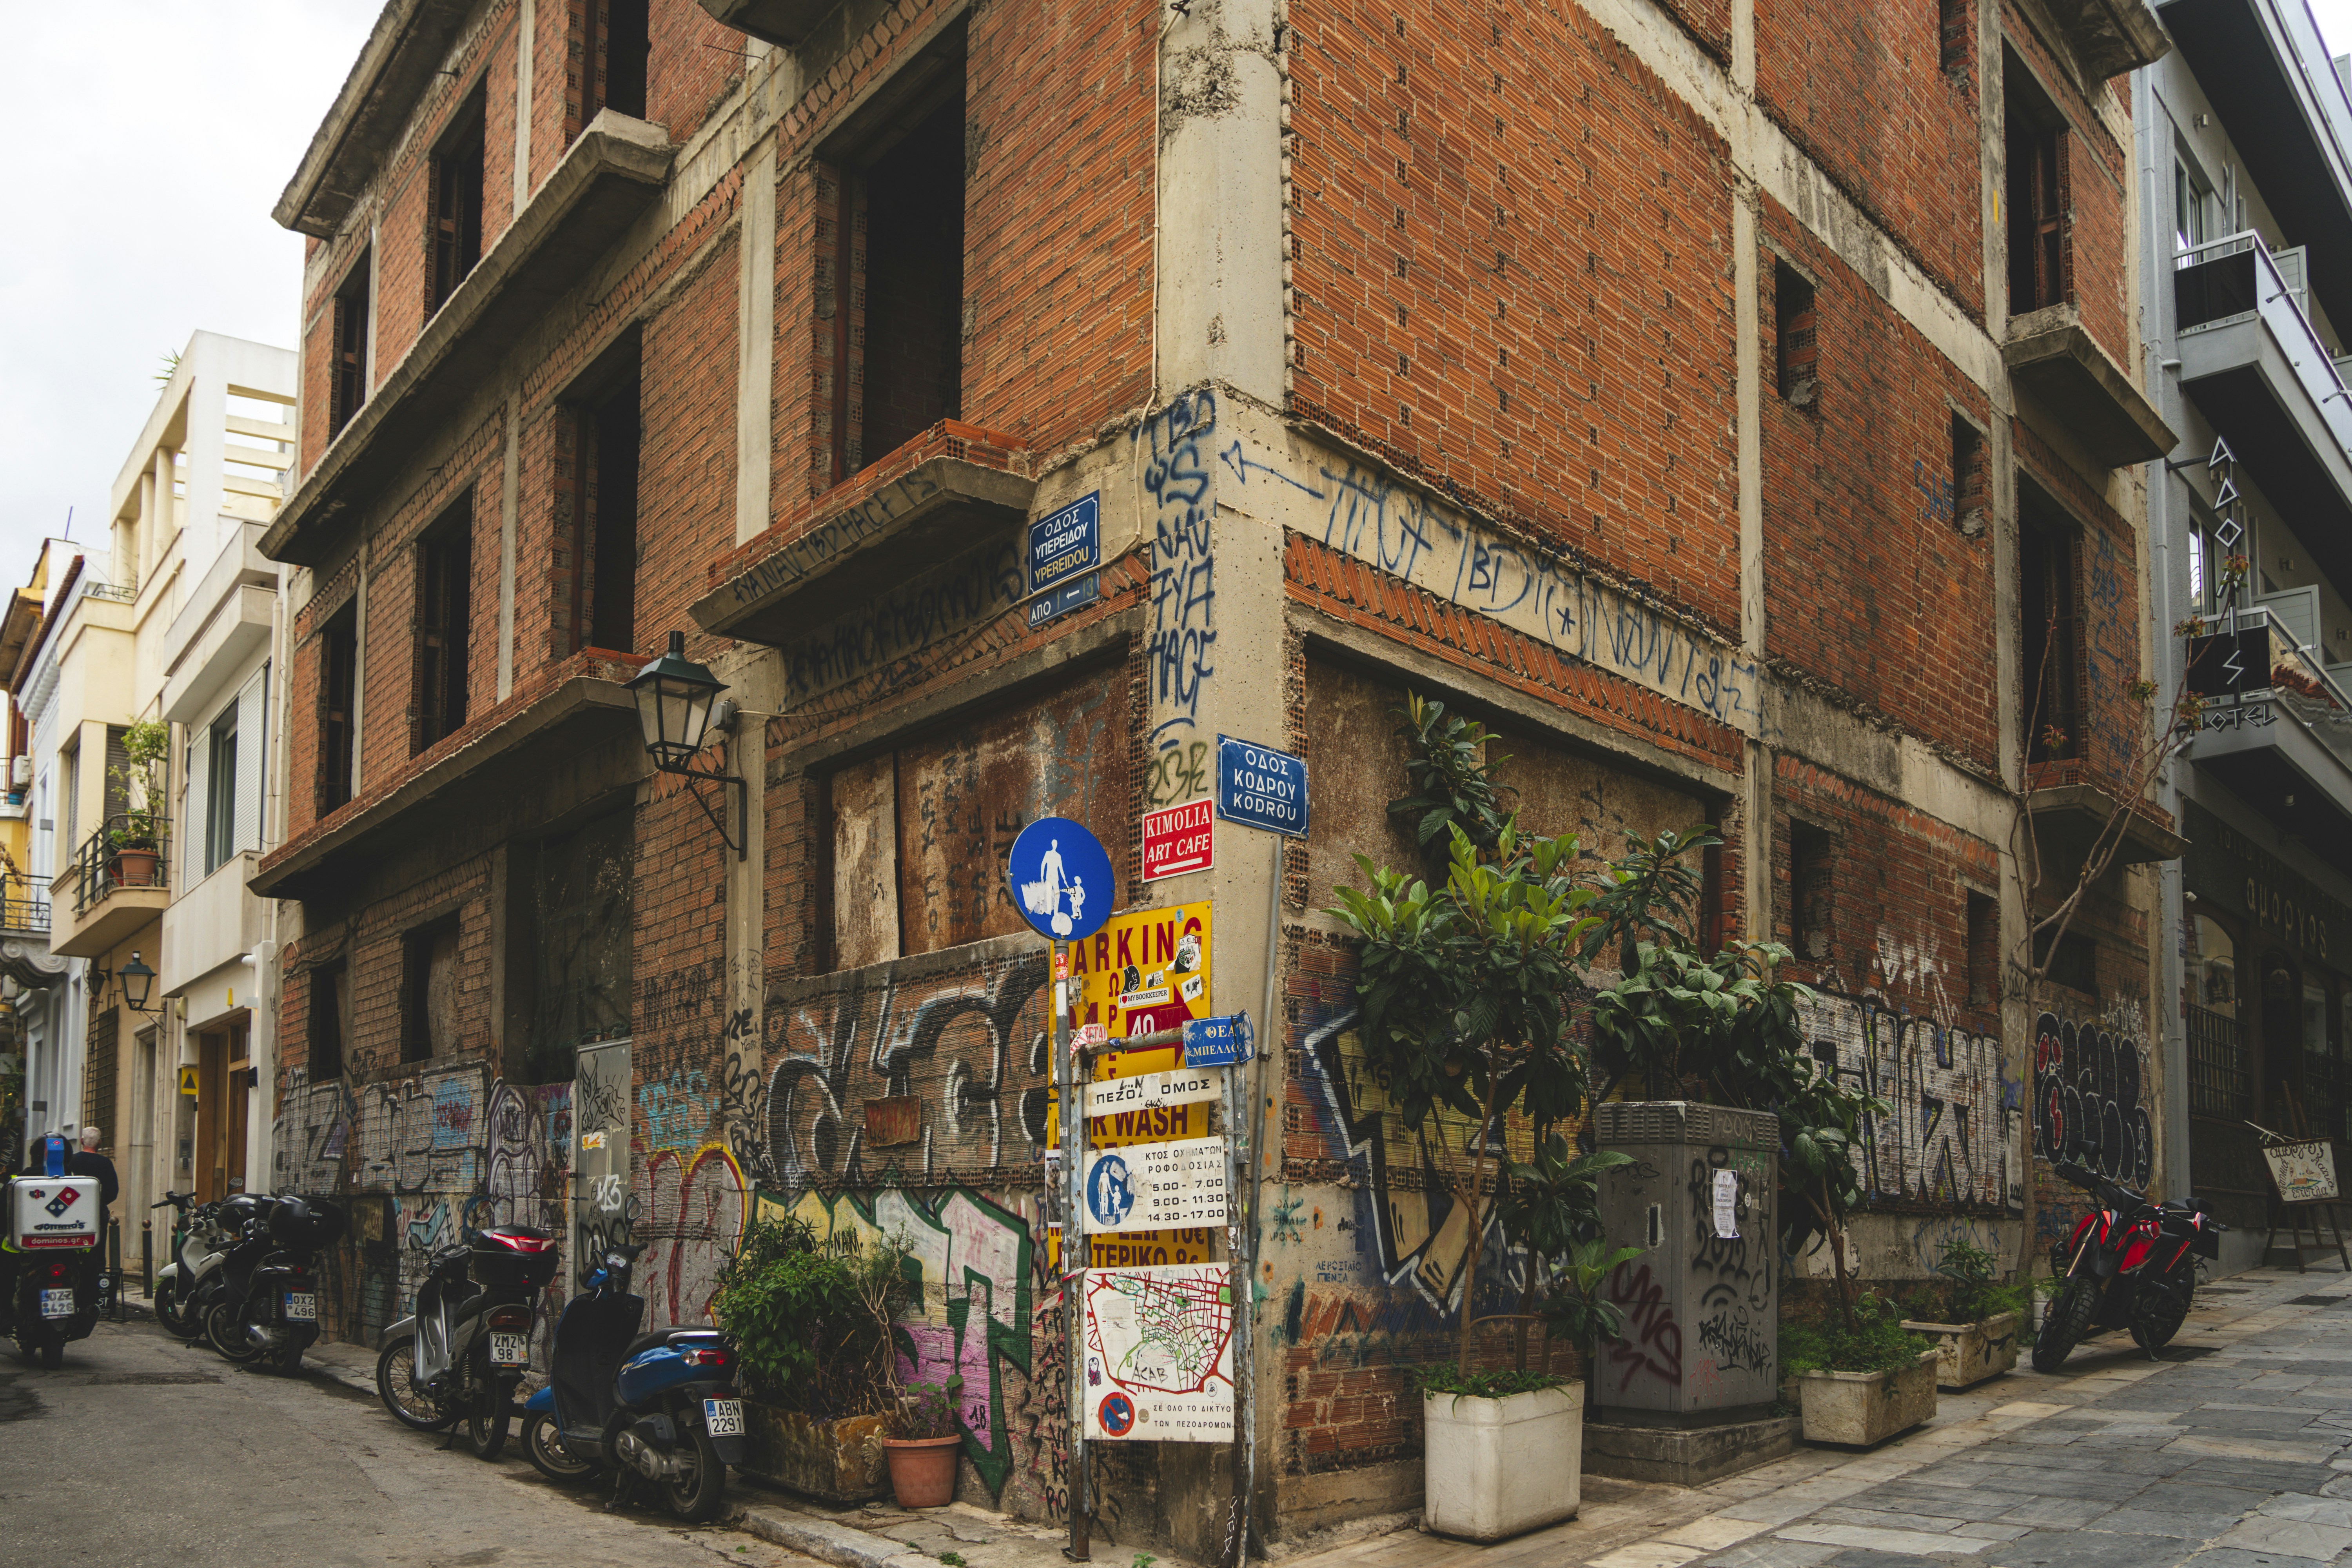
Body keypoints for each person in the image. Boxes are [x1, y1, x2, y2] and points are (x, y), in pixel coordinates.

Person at [67, 1127, 118, 1307]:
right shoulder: (106, 1163)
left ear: (82, 1141)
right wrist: (99, 1202)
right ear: (99, 1143)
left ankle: (73, 1292)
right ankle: (95, 1298)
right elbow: (113, 1192)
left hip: (72, 1214)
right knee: (97, 1252)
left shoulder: (72, 1161)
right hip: (97, 1213)